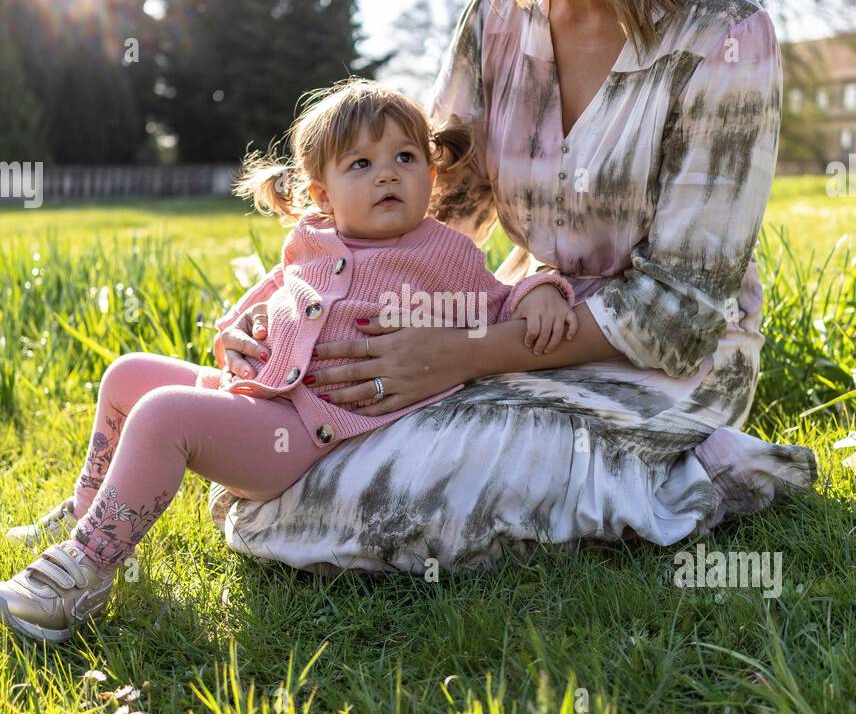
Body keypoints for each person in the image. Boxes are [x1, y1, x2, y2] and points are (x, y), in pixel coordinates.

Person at [209, 0, 817, 574]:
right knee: (293, 456)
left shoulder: (724, 35)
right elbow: (432, 206)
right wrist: (289, 311)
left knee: (386, 488)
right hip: (519, 324)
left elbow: (678, 313)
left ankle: (705, 469)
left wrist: (457, 357)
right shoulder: (502, 13)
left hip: (657, 363)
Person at [0, 80, 575, 643]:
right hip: (262, 391)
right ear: (322, 194)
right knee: (127, 374)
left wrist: (542, 289)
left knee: (163, 414)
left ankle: (86, 572)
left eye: (405, 157)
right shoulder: (313, 240)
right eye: (361, 164)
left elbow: (497, 299)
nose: (388, 173)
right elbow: (271, 291)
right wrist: (232, 333)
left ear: (430, 173)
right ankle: (87, 509)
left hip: (302, 429)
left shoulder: (443, 253)